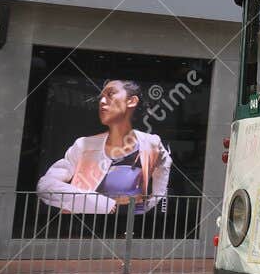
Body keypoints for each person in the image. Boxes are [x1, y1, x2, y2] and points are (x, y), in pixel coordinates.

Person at [37, 79, 172, 216]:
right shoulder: (84, 145)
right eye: (101, 97)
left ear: (131, 101)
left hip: (134, 224)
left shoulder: (151, 143)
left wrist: (149, 206)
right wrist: (103, 203)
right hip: (87, 224)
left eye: (110, 94)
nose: (102, 101)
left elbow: (164, 171)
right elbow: (46, 186)